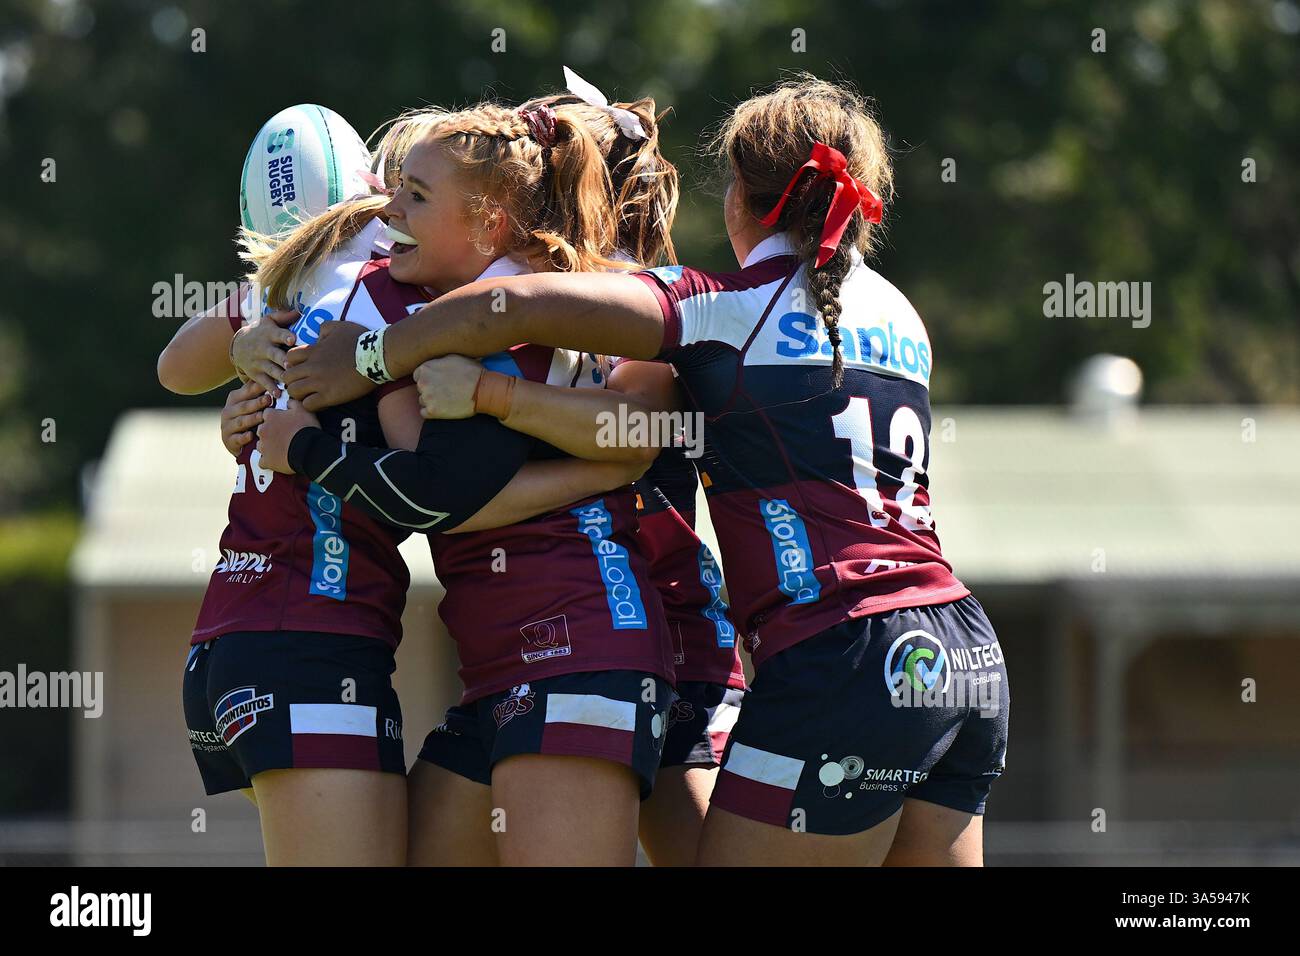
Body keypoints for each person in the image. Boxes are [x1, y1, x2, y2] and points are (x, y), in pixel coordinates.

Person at [283, 75, 1011, 867]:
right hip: (962, 653)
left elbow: (515, 311)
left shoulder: (725, 304)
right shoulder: (902, 313)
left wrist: (372, 355)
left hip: (838, 649)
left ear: (742, 196)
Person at [256, 98, 679, 867]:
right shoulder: (475, 304)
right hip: (501, 664)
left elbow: (441, 500)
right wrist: (259, 345)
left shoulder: (513, 312)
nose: (389, 210)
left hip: (576, 641)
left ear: (489, 224)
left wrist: (318, 438)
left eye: (415, 195)